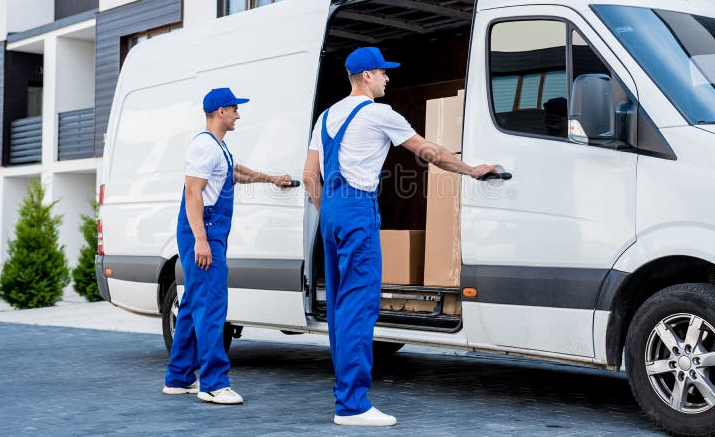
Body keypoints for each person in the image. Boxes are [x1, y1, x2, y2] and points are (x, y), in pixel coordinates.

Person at [302, 47, 499, 426]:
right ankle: (353, 405)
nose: (388, 78)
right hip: (357, 210)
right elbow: (429, 151)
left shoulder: (326, 116)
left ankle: (345, 395)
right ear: (365, 77)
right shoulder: (378, 114)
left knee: (342, 308)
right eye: (382, 72)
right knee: (359, 306)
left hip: (330, 212)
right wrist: (471, 169)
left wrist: (327, 210)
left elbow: (310, 174)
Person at [163, 87, 293, 404]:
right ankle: (213, 383)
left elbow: (235, 173)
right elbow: (193, 194)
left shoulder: (218, 148)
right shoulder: (204, 148)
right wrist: (202, 242)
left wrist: (271, 179)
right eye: (235, 109)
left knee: (194, 304)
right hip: (203, 230)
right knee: (212, 308)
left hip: (207, 230)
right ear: (221, 111)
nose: (239, 114)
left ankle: (178, 378)